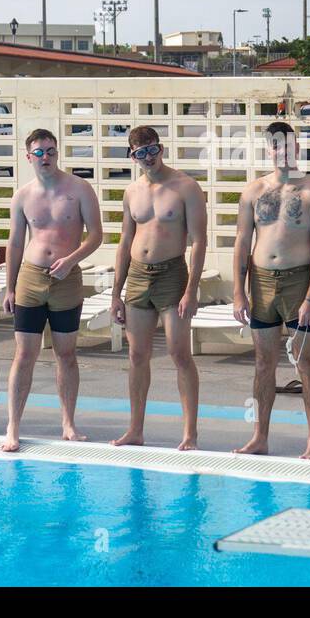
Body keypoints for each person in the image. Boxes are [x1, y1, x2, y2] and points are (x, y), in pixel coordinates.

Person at [231, 121, 310, 459]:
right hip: (261, 282)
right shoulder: (253, 191)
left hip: (297, 282)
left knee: (306, 362)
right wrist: (238, 291)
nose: (282, 153)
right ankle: (260, 436)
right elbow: (243, 242)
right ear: (270, 150)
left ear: (297, 150)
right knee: (263, 363)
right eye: (276, 147)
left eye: (288, 147)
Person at [1, 130, 102, 451]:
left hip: (66, 280)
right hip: (30, 279)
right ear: (28, 156)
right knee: (24, 354)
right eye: (39, 152)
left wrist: (70, 261)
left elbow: (96, 236)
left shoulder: (80, 189)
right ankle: (13, 428)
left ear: (57, 153)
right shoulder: (22, 196)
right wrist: (10, 286)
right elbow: (15, 243)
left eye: (50, 151)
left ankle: (68, 424)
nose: (45, 157)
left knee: (66, 353)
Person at [111, 126, 207, 450]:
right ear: (132, 155)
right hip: (138, 276)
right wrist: (115, 293)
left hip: (172, 275)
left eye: (153, 150)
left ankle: (189, 434)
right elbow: (125, 242)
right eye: (141, 153)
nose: (149, 158)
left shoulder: (185, 187)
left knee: (179, 353)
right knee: (138, 355)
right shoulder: (131, 192)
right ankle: (135, 429)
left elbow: (199, 240)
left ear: (161, 148)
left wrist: (191, 289)